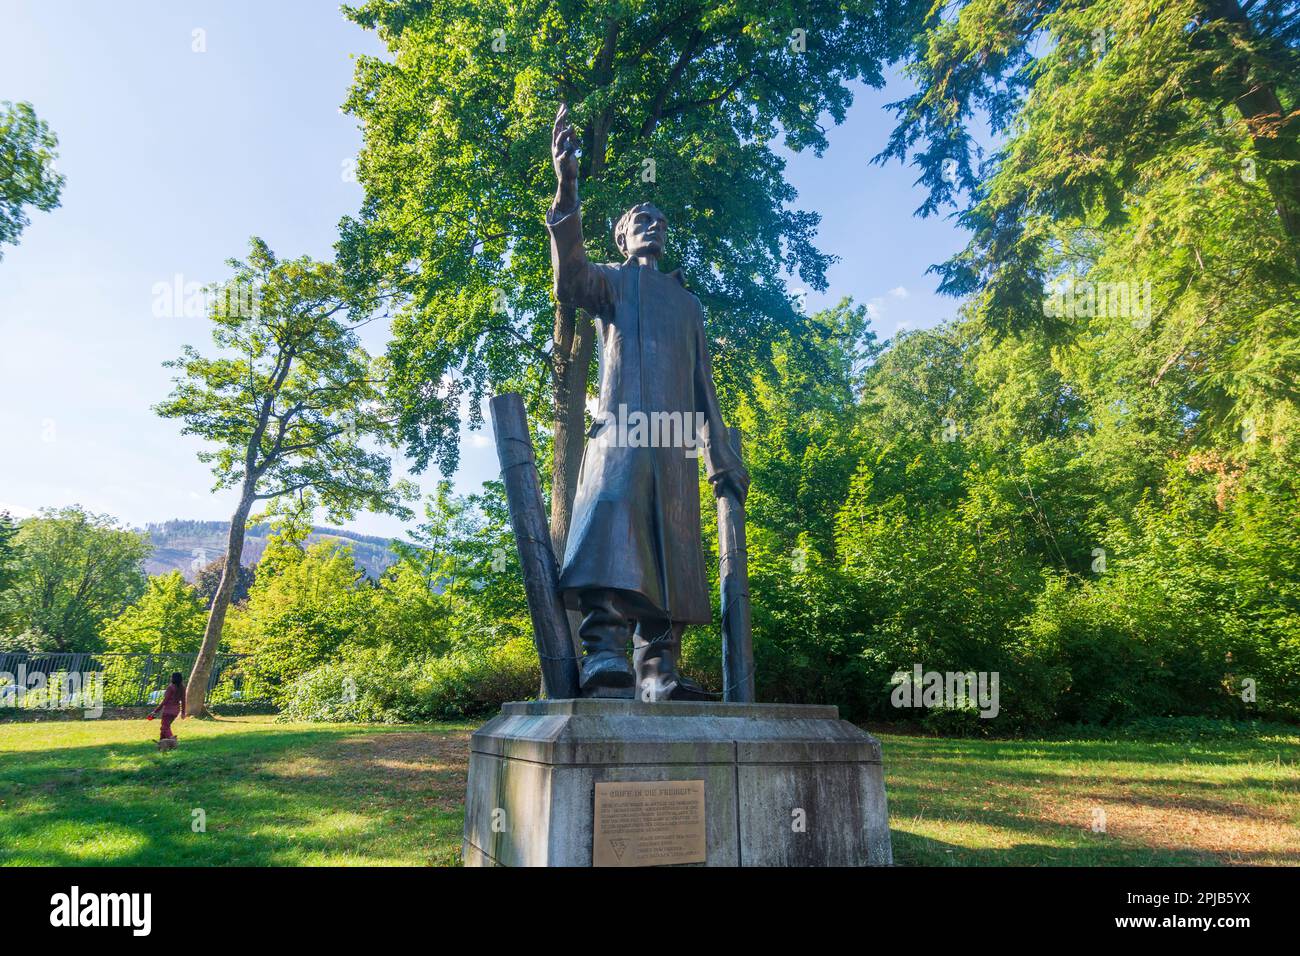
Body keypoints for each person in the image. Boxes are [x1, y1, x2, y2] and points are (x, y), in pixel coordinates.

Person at [547, 103, 750, 700]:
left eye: (658, 218)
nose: (650, 224)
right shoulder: (612, 281)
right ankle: (604, 654)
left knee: (673, 545)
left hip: (676, 440)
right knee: (613, 514)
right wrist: (568, 185)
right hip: (623, 429)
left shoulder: (688, 305)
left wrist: (720, 456)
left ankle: (658, 671)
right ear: (621, 235)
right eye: (639, 218)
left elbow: (704, 384)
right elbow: (570, 278)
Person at [149, 672, 186, 743]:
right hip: (176, 711)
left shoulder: (171, 687)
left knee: (164, 728)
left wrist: (155, 711)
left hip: (168, 710)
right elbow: (184, 700)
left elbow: (165, 701)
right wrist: (183, 712)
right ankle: (161, 743)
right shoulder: (182, 688)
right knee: (165, 727)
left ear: (173, 678)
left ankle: (172, 741)